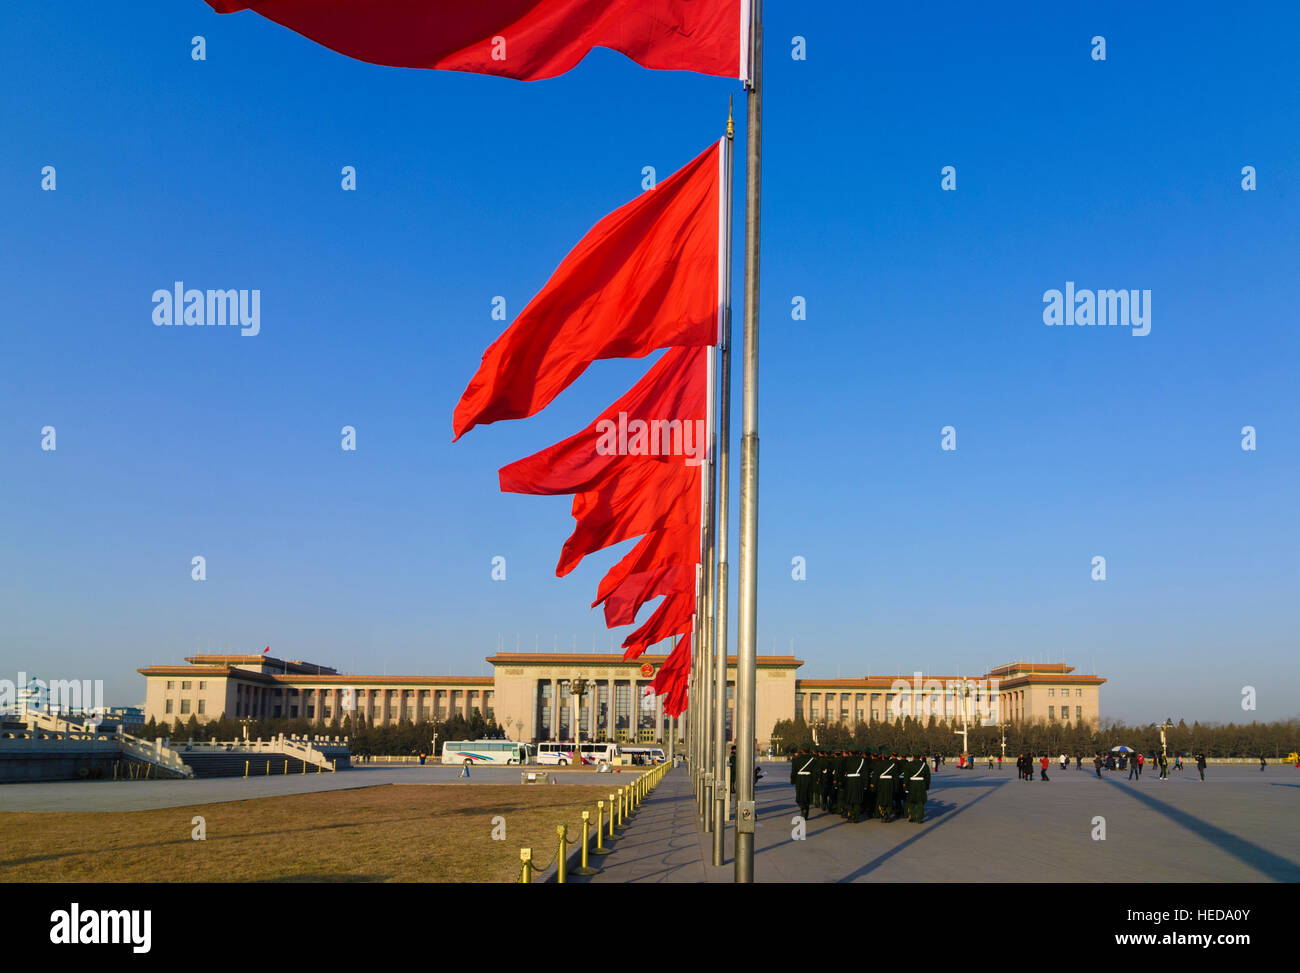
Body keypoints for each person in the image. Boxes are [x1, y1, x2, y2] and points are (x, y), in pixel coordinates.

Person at [906, 752, 931, 823]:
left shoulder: (909, 764)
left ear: (913, 756)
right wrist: (926, 786)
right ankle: (920, 818)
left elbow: (906, 777)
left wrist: (906, 787)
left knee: (911, 801)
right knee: (920, 802)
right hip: (921, 784)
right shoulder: (924, 765)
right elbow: (928, 777)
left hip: (912, 784)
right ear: (920, 757)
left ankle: (912, 816)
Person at [792, 746, 815, 820]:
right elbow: (815, 771)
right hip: (809, 778)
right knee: (807, 795)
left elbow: (794, 771)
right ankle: (806, 812)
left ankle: (803, 808)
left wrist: (793, 780)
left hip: (799, 779)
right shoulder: (813, 759)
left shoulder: (796, 759)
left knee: (800, 795)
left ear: (802, 750)